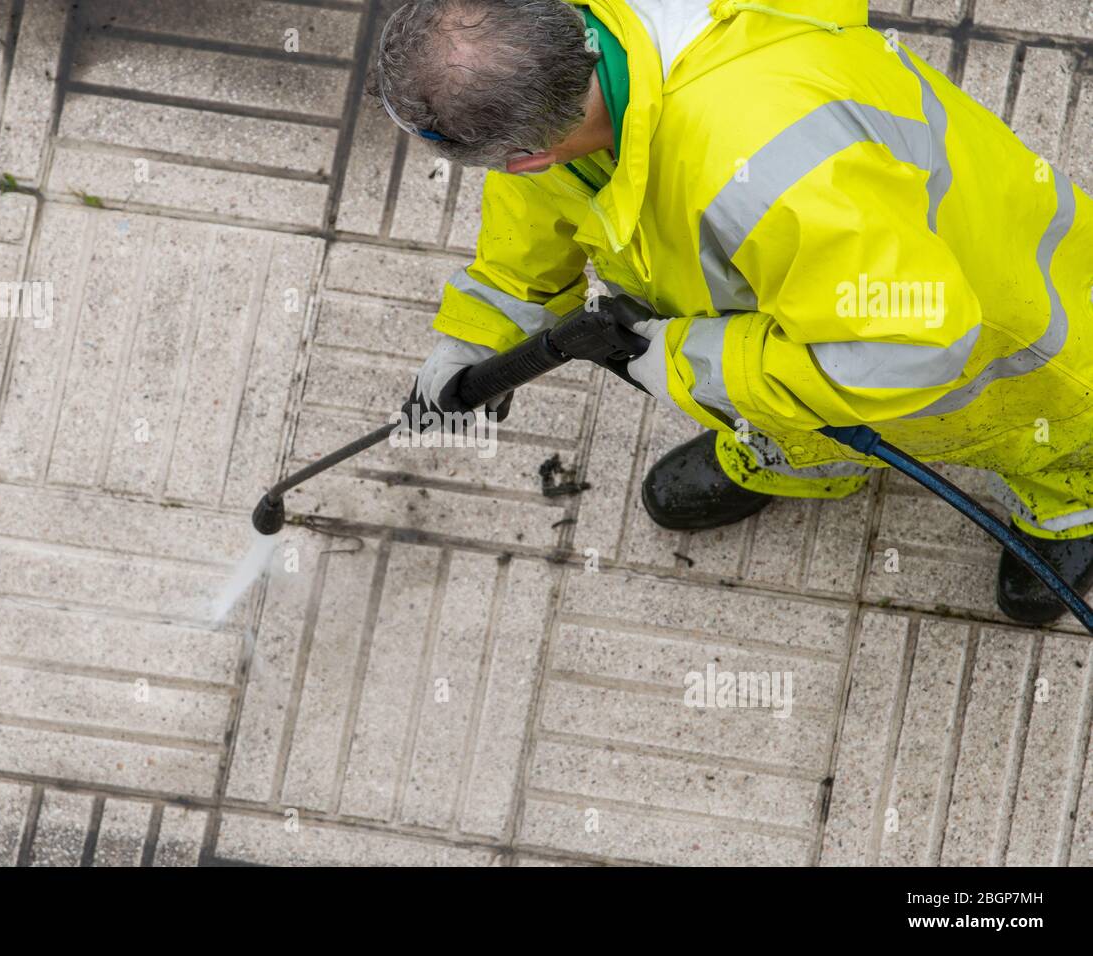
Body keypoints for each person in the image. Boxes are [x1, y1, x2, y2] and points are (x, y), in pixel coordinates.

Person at [367, 0, 1093, 625]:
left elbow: (912, 351)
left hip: (1011, 331)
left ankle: (1066, 507)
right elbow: (543, 205)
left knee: (1044, 427)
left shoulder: (768, 168)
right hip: (814, 290)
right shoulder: (572, 48)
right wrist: (479, 338)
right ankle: (793, 456)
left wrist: (693, 363)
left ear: (521, 156)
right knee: (793, 407)